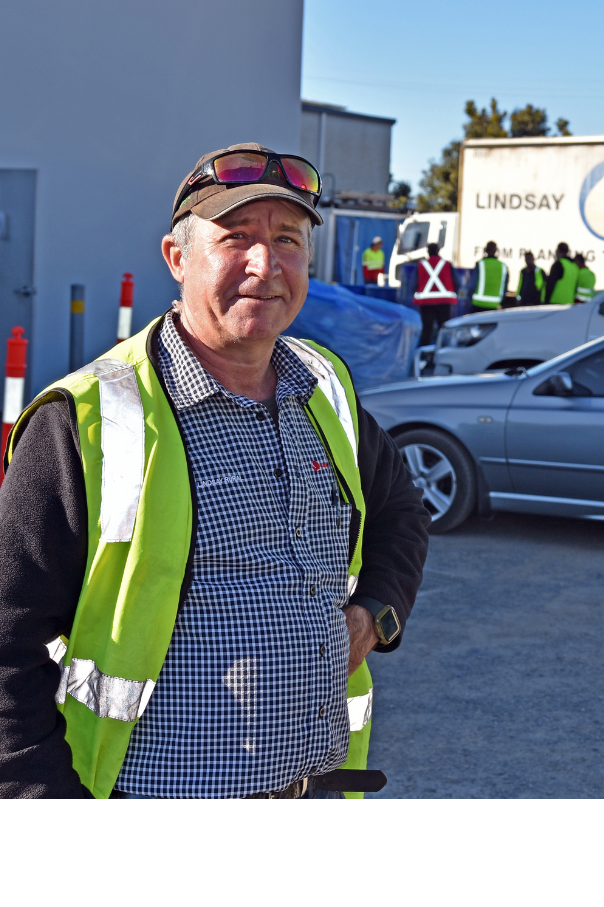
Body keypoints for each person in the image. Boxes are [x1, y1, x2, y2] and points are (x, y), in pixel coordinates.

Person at [0, 143, 429, 798]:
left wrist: (375, 616)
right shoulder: (89, 419)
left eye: (287, 239)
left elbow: (401, 512)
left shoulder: (325, 387)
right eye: (236, 237)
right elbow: (9, 643)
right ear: (177, 259)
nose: (266, 263)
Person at [414, 241, 458, 345]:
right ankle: (444, 350)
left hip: (426, 303)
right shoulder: (447, 264)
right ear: (438, 251)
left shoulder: (421, 264)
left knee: (427, 329)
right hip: (444, 302)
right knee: (444, 329)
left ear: (428, 252)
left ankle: (424, 351)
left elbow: (413, 284)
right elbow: (457, 282)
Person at [471, 240, 508, 312]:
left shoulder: (480, 264)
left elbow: (472, 284)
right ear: (496, 251)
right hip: (494, 304)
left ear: (485, 250)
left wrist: (470, 297)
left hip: (478, 303)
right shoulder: (503, 266)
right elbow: (505, 287)